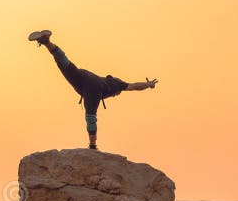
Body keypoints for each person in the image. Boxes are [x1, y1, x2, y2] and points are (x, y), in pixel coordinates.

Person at [28, 29, 158, 150]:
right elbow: (133, 87)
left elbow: (135, 86)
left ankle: (46, 41)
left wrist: (148, 85)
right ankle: (93, 145)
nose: (116, 95)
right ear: (116, 92)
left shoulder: (112, 81)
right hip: (91, 88)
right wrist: (148, 85)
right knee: (91, 116)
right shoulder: (114, 86)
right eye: (116, 95)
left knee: (65, 63)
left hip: (83, 75)